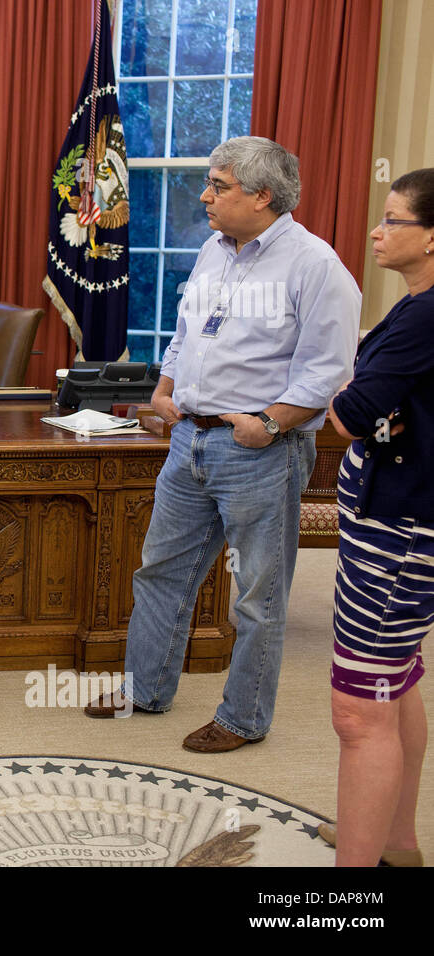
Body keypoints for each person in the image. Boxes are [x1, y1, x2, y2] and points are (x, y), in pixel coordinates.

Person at [84, 136, 361, 752]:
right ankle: (145, 688)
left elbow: (329, 373)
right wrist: (165, 388)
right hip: (189, 442)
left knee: (258, 595)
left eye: (219, 185)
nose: (205, 196)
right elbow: (189, 333)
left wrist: (268, 422)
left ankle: (242, 718)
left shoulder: (317, 266)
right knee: (160, 571)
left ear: (263, 196)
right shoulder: (214, 249)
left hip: (261, 451)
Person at [320, 168, 434, 867]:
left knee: (360, 708)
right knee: (399, 679)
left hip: (400, 530)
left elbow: (349, 414)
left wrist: (351, 396)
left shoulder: (425, 315)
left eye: (393, 219)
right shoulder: (417, 306)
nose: (376, 231)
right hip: (399, 521)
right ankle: (393, 838)